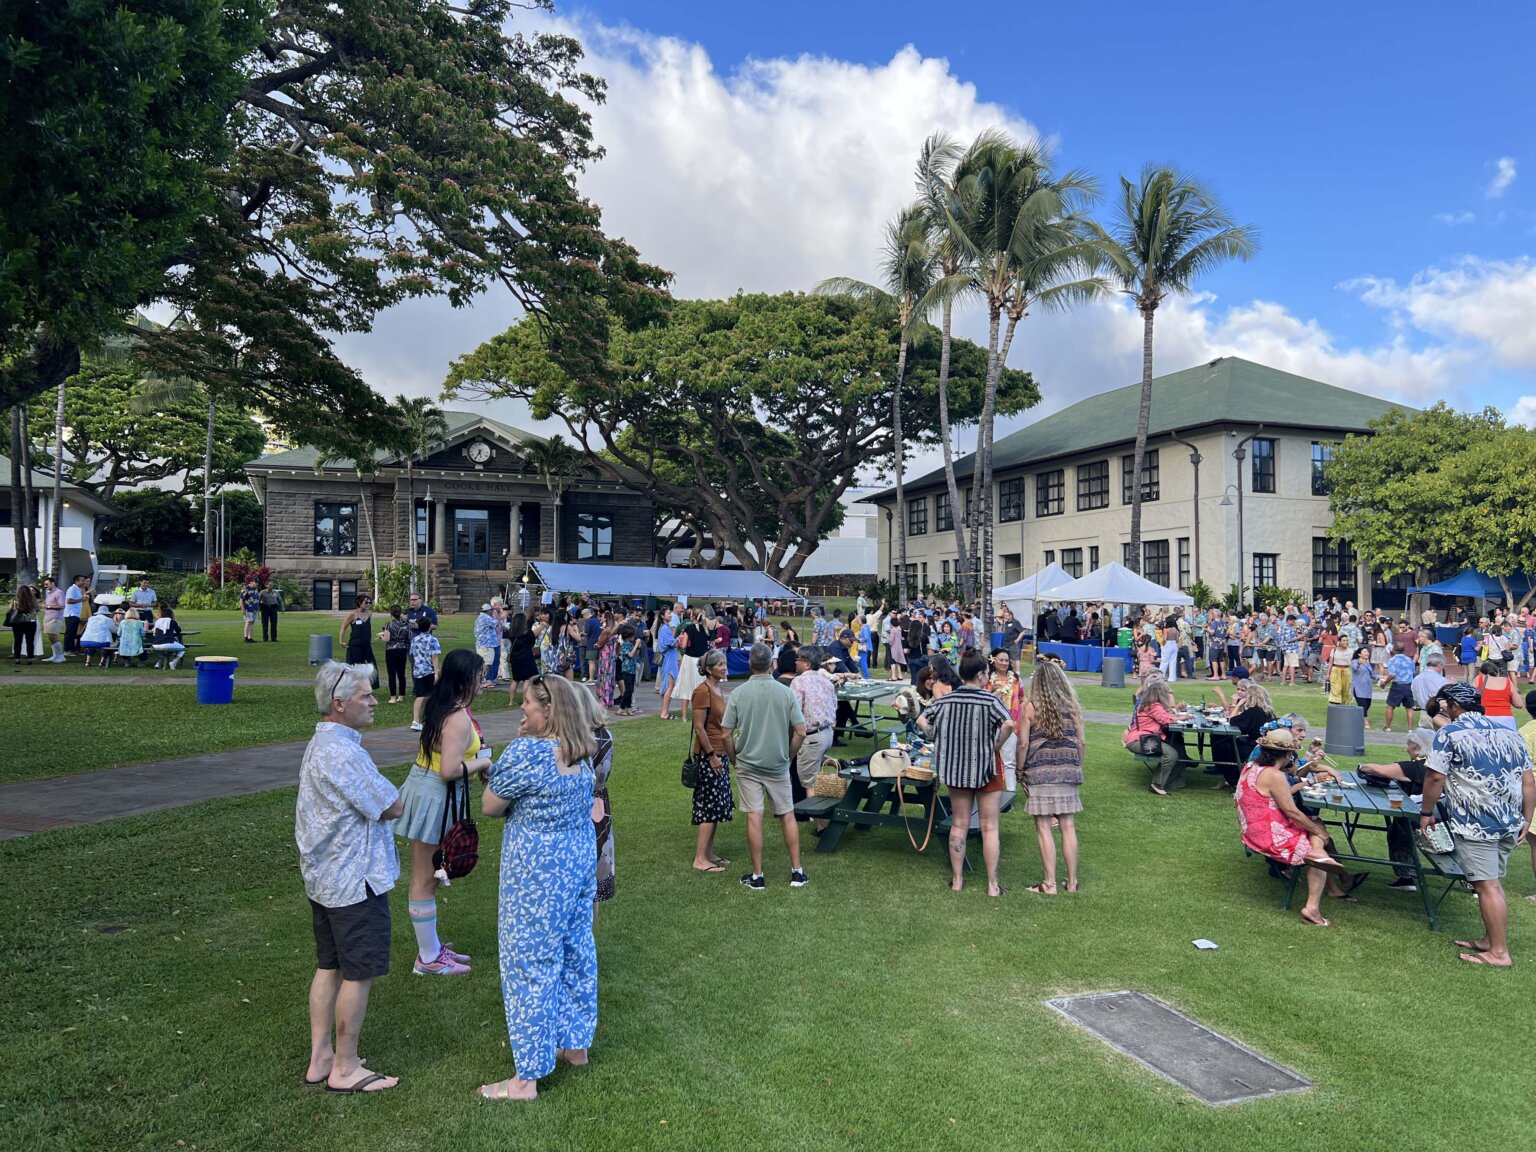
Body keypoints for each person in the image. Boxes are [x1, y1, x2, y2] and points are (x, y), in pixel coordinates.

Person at [478, 674, 599, 1101]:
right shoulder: (580, 750)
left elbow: (491, 805)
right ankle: (576, 1045)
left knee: (529, 961)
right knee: (575, 949)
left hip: (537, 874)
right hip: (577, 862)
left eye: (527, 703)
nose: (522, 709)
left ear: (547, 709)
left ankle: (525, 1079)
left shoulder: (527, 752)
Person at [296, 661, 403, 1093]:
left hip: (325, 876)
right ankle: (344, 1067)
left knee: (331, 965)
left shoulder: (323, 743)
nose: (375, 701)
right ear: (339, 704)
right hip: (353, 878)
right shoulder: (342, 751)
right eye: (366, 695)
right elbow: (389, 805)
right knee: (358, 971)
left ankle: (321, 1056)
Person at [1421, 682, 1536, 967]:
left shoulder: (1449, 733)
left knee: (1487, 887)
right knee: (1493, 884)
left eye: (1445, 703)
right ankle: (1489, 939)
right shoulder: (1508, 732)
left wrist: (1426, 812)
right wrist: (1528, 818)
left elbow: (1435, 777)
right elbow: (1528, 780)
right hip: (1509, 821)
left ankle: (1499, 953)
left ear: (1454, 706)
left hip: (1476, 824)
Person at [395, 649, 491, 977]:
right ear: (466, 680)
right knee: (424, 880)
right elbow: (449, 769)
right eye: (480, 676)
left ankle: (432, 949)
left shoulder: (442, 707)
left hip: (429, 793)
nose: (484, 681)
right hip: (435, 796)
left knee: (430, 878)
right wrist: (484, 762)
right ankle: (427, 959)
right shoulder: (458, 717)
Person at [1235, 728, 1366, 928]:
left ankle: (1323, 864)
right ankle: (1312, 909)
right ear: (1288, 754)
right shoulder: (1274, 775)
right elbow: (1292, 812)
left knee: (1316, 825)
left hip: (1255, 827)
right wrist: (1317, 832)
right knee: (1318, 843)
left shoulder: (1251, 767)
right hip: (1267, 835)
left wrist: (1316, 829)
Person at [920, 652, 1014, 897]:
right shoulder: (989, 700)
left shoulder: (946, 700)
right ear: (981, 674)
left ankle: (957, 880)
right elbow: (1009, 724)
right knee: (990, 827)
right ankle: (993, 885)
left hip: (956, 769)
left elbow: (922, 718)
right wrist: (995, 745)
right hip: (986, 768)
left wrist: (933, 734)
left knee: (959, 824)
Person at [724, 643, 807, 891]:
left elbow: (726, 733)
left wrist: (733, 758)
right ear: (771, 664)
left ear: (750, 664)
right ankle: (797, 871)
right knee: (787, 813)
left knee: (754, 815)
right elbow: (800, 731)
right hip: (778, 763)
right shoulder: (786, 692)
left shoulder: (739, 693)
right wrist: (788, 755)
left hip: (748, 763)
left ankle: (758, 875)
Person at [1016, 661, 1085, 894]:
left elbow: (1024, 743)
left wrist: (1019, 769)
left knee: (1044, 827)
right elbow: (1081, 742)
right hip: (1068, 769)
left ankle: (1050, 883)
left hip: (1040, 771)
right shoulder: (1072, 707)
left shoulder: (1031, 707)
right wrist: (1077, 766)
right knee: (1067, 825)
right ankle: (1072, 882)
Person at [1357, 728, 1436, 892]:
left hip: (1420, 821)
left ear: (1417, 748)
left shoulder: (1415, 768)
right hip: (1442, 819)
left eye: (1409, 746)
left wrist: (1361, 766)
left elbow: (1378, 770)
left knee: (1398, 826)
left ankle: (1406, 876)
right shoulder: (1440, 766)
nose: (1407, 749)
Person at [689, 649, 735, 872]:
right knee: (709, 805)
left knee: (717, 804)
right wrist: (711, 756)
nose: (724, 667)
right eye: (719, 664)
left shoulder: (717, 688)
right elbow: (699, 727)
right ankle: (700, 859)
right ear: (708, 669)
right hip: (710, 755)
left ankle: (708, 852)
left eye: (725, 663)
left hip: (720, 752)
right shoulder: (703, 691)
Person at [572, 687, 617, 909]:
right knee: (595, 886)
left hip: (582, 805)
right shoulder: (605, 734)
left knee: (581, 881)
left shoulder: (578, 740)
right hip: (601, 804)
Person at [789, 644, 837, 826]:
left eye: (799, 660)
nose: (796, 663)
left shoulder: (799, 681)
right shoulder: (826, 681)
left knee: (808, 782)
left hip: (811, 736)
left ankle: (820, 825)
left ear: (807, 663)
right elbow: (834, 707)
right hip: (827, 733)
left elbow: (793, 710)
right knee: (815, 775)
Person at [1125, 679, 1191, 795]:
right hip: (1141, 741)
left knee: (1174, 748)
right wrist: (1184, 717)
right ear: (1160, 693)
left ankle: (1166, 781)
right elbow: (1166, 719)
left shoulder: (1148, 704)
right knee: (1171, 754)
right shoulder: (1154, 706)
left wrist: (1177, 715)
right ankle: (1157, 784)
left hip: (1138, 739)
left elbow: (1164, 715)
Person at [986, 648, 1024, 789]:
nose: (1004, 663)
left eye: (1006, 660)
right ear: (993, 660)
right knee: (989, 757)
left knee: (1009, 761)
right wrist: (991, 690)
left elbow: (1021, 698)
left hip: (1011, 724)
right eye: (1001, 660)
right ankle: (989, 790)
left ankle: (1010, 794)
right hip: (990, 724)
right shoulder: (987, 679)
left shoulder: (1015, 679)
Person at [338, 595, 379, 688]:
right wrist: (341, 641)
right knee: (354, 667)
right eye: (366, 602)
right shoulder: (353, 614)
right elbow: (343, 627)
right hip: (355, 645)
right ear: (359, 603)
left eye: (370, 602)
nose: (368, 604)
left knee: (369, 666)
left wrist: (369, 639)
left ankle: (368, 687)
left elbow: (367, 628)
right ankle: (351, 687)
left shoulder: (369, 613)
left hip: (366, 645)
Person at [408, 616, 441, 731]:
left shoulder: (414, 639)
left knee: (420, 696)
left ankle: (415, 720)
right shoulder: (433, 640)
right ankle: (432, 719)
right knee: (434, 696)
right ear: (429, 626)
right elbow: (435, 656)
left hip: (418, 671)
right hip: (429, 671)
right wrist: (436, 673)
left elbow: (412, 654)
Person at [1474, 660, 1522, 730]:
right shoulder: (1507, 681)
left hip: (1485, 718)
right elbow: (1519, 704)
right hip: (1506, 719)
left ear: (1481, 672)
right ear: (1497, 672)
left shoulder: (1479, 679)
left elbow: (1469, 699)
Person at [1380, 643, 1417, 732]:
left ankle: (1388, 727)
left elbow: (1392, 675)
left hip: (1397, 685)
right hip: (1408, 685)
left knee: (1390, 706)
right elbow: (1412, 672)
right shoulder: (1409, 660)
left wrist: (1384, 683)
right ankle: (1410, 729)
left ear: (1394, 650)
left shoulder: (1392, 660)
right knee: (1409, 708)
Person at [380, 605, 411, 704]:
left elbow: (386, 639)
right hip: (402, 649)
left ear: (391, 613)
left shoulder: (388, 624)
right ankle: (401, 696)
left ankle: (393, 697)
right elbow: (408, 637)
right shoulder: (406, 624)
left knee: (391, 674)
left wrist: (381, 636)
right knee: (401, 673)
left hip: (391, 650)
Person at [507, 612, 539, 707]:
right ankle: (525, 700)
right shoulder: (528, 633)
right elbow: (532, 642)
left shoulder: (511, 633)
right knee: (527, 679)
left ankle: (511, 701)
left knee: (515, 679)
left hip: (515, 657)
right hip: (526, 657)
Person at [655, 609, 680, 720]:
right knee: (670, 686)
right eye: (668, 613)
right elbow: (672, 644)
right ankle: (664, 713)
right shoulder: (665, 629)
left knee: (666, 686)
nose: (670, 615)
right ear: (662, 615)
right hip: (669, 659)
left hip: (667, 658)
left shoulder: (663, 628)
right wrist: (680, 638)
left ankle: (664, 710)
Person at [7, 583, 38, 664]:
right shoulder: (33, 600)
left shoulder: (15, 600)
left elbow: (11, 609)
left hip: (18, 622)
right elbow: (37, 609)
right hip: (31, 622)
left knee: (17, 641)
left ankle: (17, 658)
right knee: (30, 641)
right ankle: (29, 659)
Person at [594, 610, 618, 709]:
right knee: (610, 676)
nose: (601, 619)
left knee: (604, 676)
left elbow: (600, 643)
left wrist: (596, 645)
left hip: (605, 655)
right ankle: (609, 699)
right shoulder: (613, 629)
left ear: (606, 619)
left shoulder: (606, 630)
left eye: (602, 617)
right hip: (611, 654)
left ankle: (604, 700)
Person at [149, 604, 186, 668]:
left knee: (162, 651)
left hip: (155, 644)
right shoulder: (171, 621)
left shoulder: (158, 621)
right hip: (167, 642)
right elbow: (178, 631)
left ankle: (159, 663)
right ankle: (174, 661)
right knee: (182, 648)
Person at [474, 603, 500, 683]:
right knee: (487, 663)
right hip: (486, 645)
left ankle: (482, 679)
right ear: (488, 610)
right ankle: (483, 679)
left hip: (483, 644)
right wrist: (500, 616)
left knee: (485, 662)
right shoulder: (485, 617)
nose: (493, 611)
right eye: (492, 610)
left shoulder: (481, 617)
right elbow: (496, 623)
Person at [41, 576, 65, 662]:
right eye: (44, 584)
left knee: (53, 637)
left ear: (52, 583)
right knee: (50, 638)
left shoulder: (59, 592)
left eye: (46, 584)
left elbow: (62, 605)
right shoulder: (50, 593)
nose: (45, 586)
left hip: (55, 618)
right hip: (48, 618)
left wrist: (47, 606)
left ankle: (61, 656)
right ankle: (55, 656)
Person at [1351, 647, 1375, 729]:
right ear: (1359, 654)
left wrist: (1382, 677)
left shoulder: (1368, 664)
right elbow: (1354, 668)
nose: (1367, 653)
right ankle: (1365, 722)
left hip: (1367, 688)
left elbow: (1373, 674)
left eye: (1367, 652)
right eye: (1365, 651)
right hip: (1358, 688)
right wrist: (1359, 664)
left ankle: (1356, 718)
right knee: (1362, 706)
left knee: (1367, 705)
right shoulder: (1355, 662)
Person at [63, 574, 86, 653]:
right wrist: (81, 599)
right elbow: (69, 601)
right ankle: (67, 650)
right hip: (71, 614)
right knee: (69, 632)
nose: (84, 582)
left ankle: (72, 649)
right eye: (82, 580)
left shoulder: (77, 589)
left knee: (73, 632)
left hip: (75, 614)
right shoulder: (72, 589)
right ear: (77, 581)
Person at [240, 578, 260, 643]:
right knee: (248, 622)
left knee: (252, 623)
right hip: (248, 609)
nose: (257, 584)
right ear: (251, 582)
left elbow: (256, 598)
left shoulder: (255, 589)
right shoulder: (246, 588)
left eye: (257, 583)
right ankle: (246, 637)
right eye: (256, 582)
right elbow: (241, 599)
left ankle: (250, 637)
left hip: (254, 609)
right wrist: (243, 609)